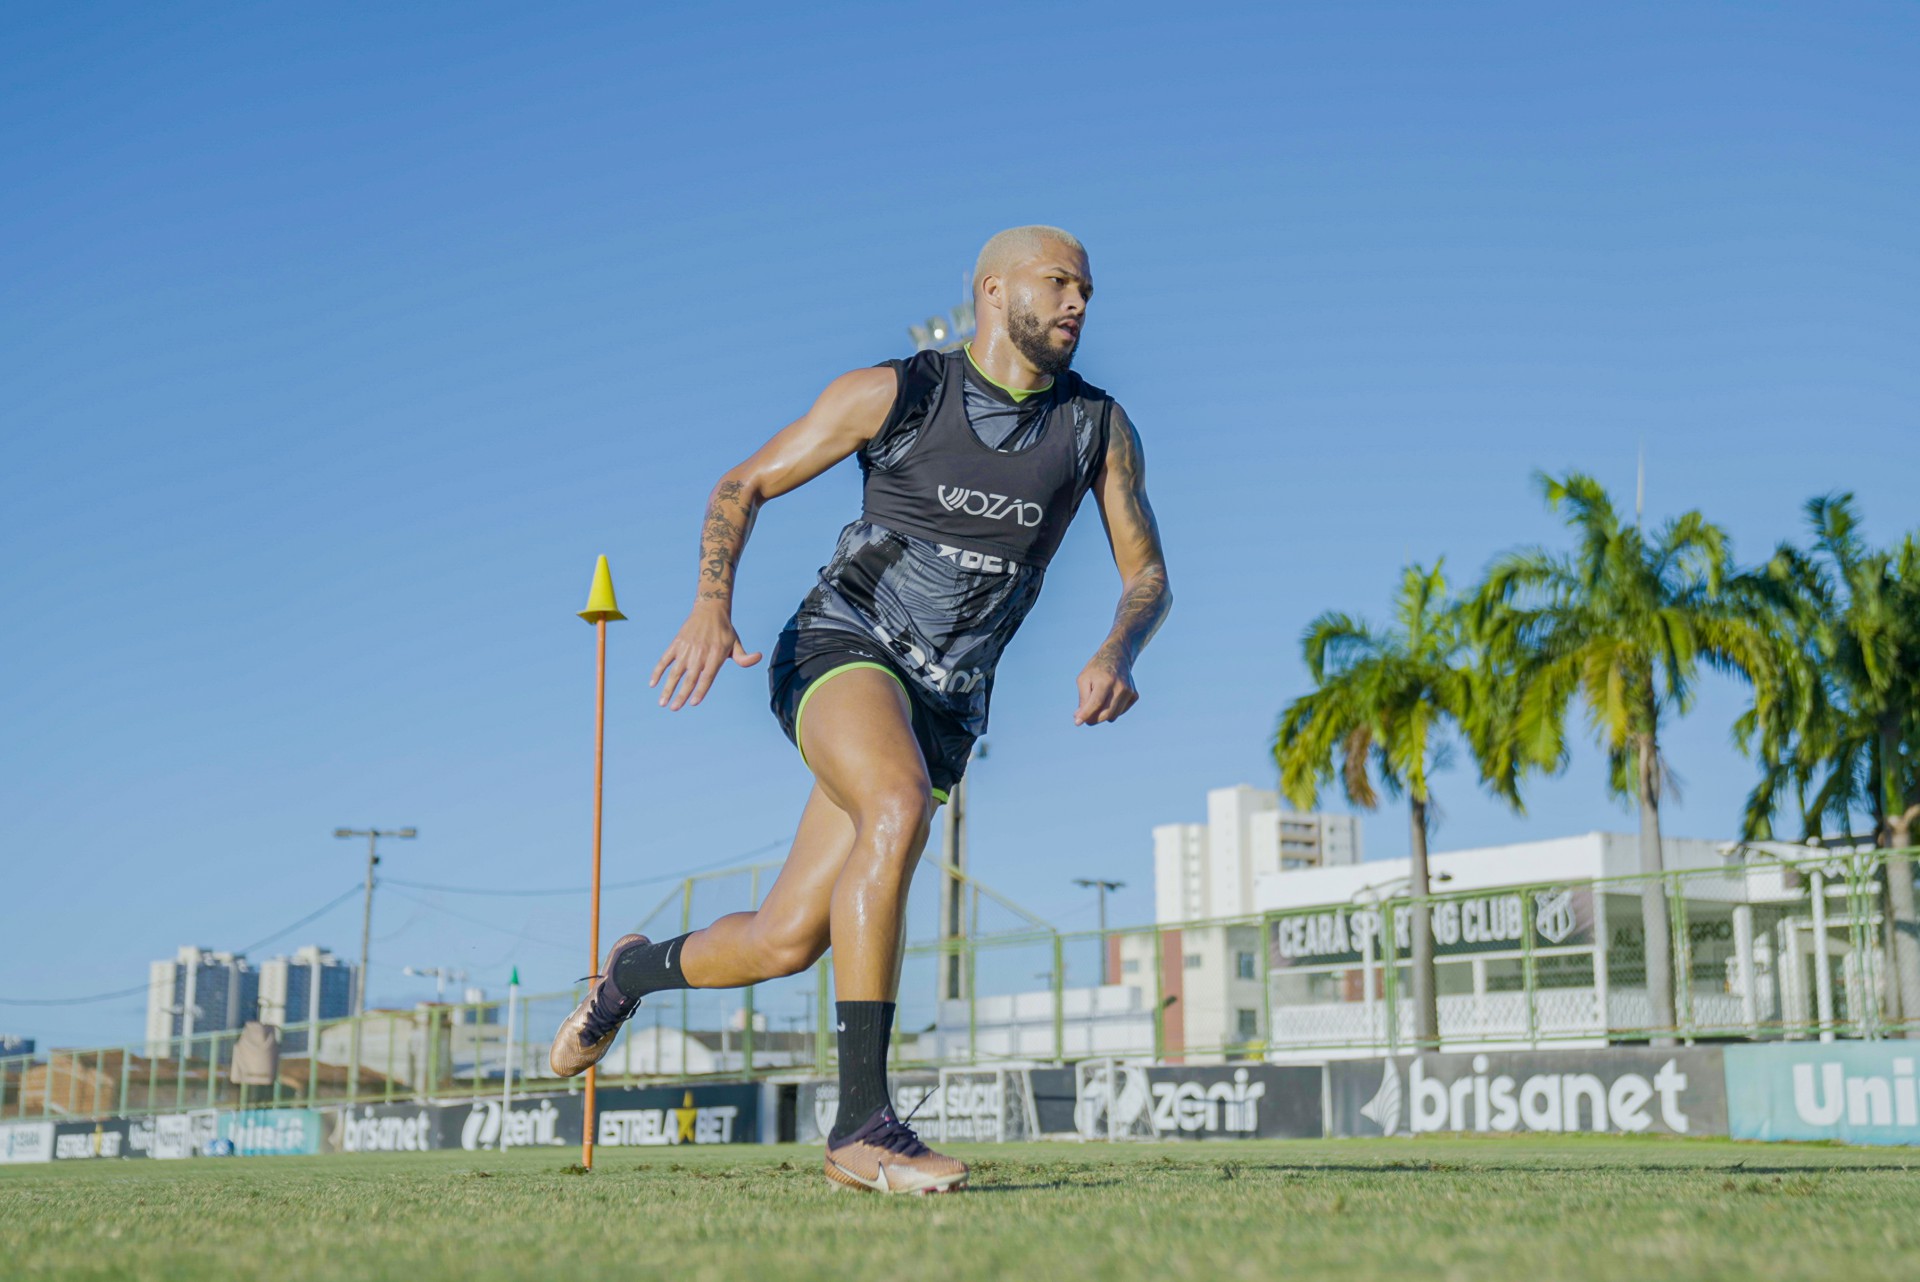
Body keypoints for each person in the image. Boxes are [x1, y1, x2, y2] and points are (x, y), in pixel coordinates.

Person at [549, 225, 1170, 1194]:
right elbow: (742, 482)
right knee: (895, 803)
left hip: (943, 705)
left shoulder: (1095, 427)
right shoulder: (899, 392)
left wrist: (1116, 646)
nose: (1079, 303)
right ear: (993, 292)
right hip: (842, 645)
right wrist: (712, 603)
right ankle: (862, 1126)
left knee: (787, 939)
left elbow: (1149, 575)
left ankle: (628, 974)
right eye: (1058, 283)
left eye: (1087, 288)